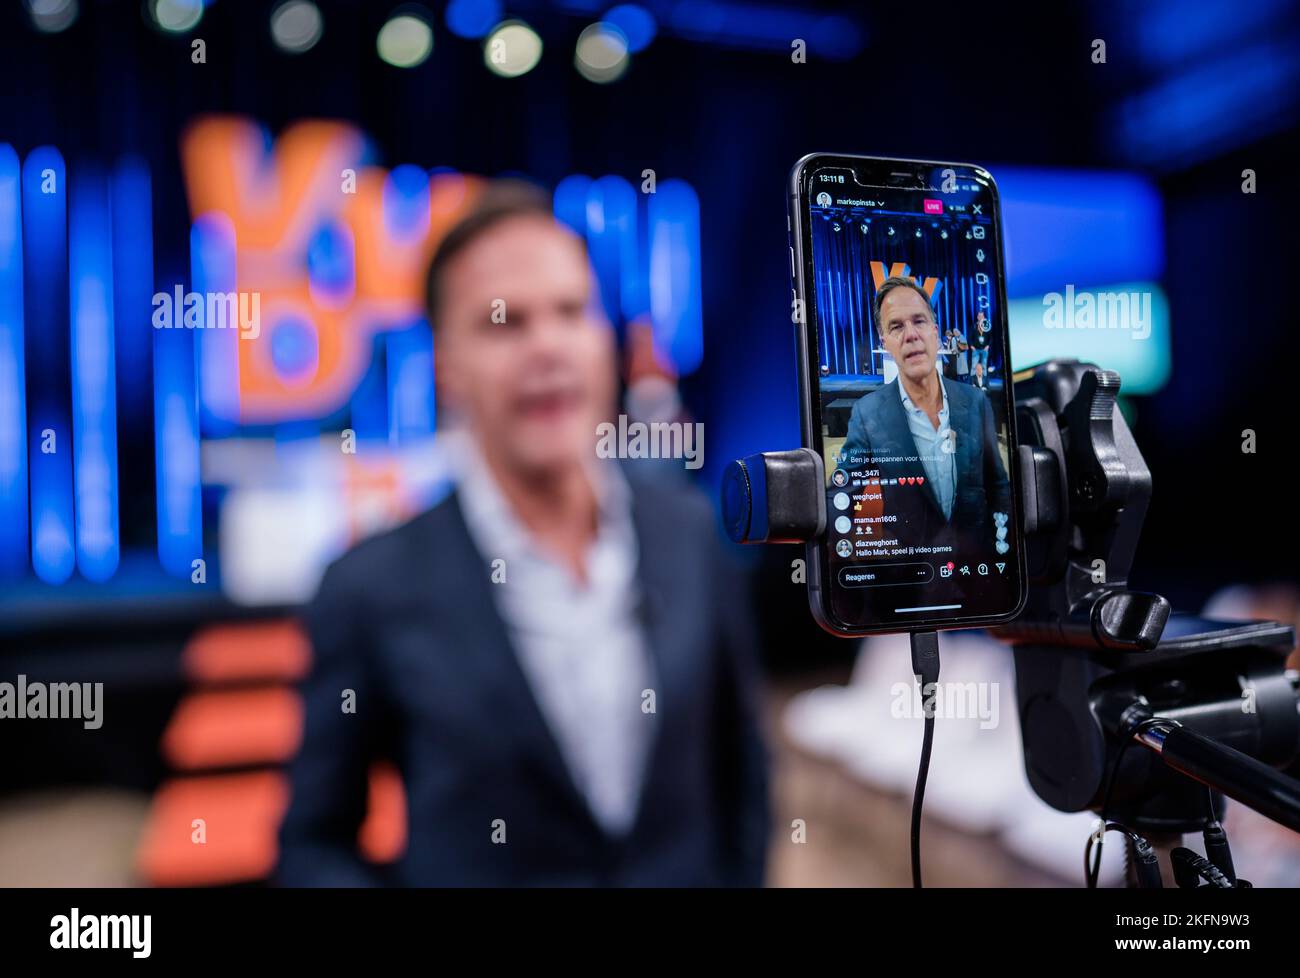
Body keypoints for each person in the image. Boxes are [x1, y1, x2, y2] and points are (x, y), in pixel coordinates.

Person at [278, 182, 770, 887]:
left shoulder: (690, 531)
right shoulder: (369, 586)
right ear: (446, 370)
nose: (547, 347)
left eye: (571, 312)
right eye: (504, 323)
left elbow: (742, 774)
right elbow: (312, 847)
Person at [839, 277, 1010, 549]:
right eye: (896, 326)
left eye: (919, 321)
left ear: (934, 331)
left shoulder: (976, 402)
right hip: (908, 574)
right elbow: (840, 495)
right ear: (885, 342)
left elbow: (999, 486)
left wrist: (1003, 545)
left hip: (976, 569)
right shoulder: (867, 413)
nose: (911, 335)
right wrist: (842, 551)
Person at [969, 310, 991, 380]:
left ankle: (984, 382)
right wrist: (971, 346)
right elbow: (970, 337)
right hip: (975, 349)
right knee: (974, 366)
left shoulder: (987, 326)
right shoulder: (974, 326)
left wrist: (988, 345)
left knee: (984, 366)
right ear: (977, 317)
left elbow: (991, 337)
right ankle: (973, 382)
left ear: (984, 317)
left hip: (984, 349)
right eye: (979, 316)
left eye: (982, 316)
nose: (980, 317)